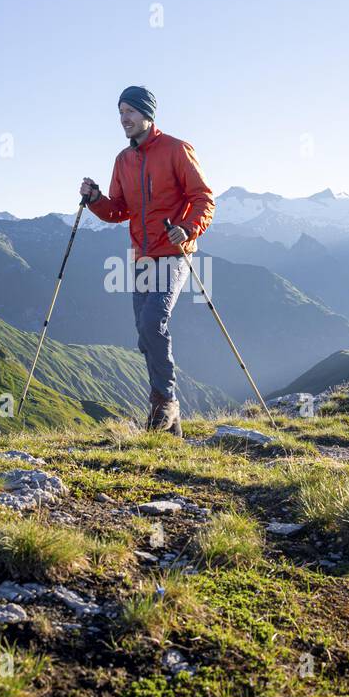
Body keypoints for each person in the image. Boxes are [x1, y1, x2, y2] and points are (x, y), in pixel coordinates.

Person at [79, 86, 214, 436]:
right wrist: (95, 199)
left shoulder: (176, 149)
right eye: (120, 112)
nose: (124, 118)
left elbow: (203, 198)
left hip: (174, 252)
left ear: (147, 114)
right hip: (141, 256)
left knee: (153, 322)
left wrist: (187, 228)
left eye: (131, 112)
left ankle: (165, 399)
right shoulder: (123, 160)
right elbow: (118, 210)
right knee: (144, 331)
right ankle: (171, 429)